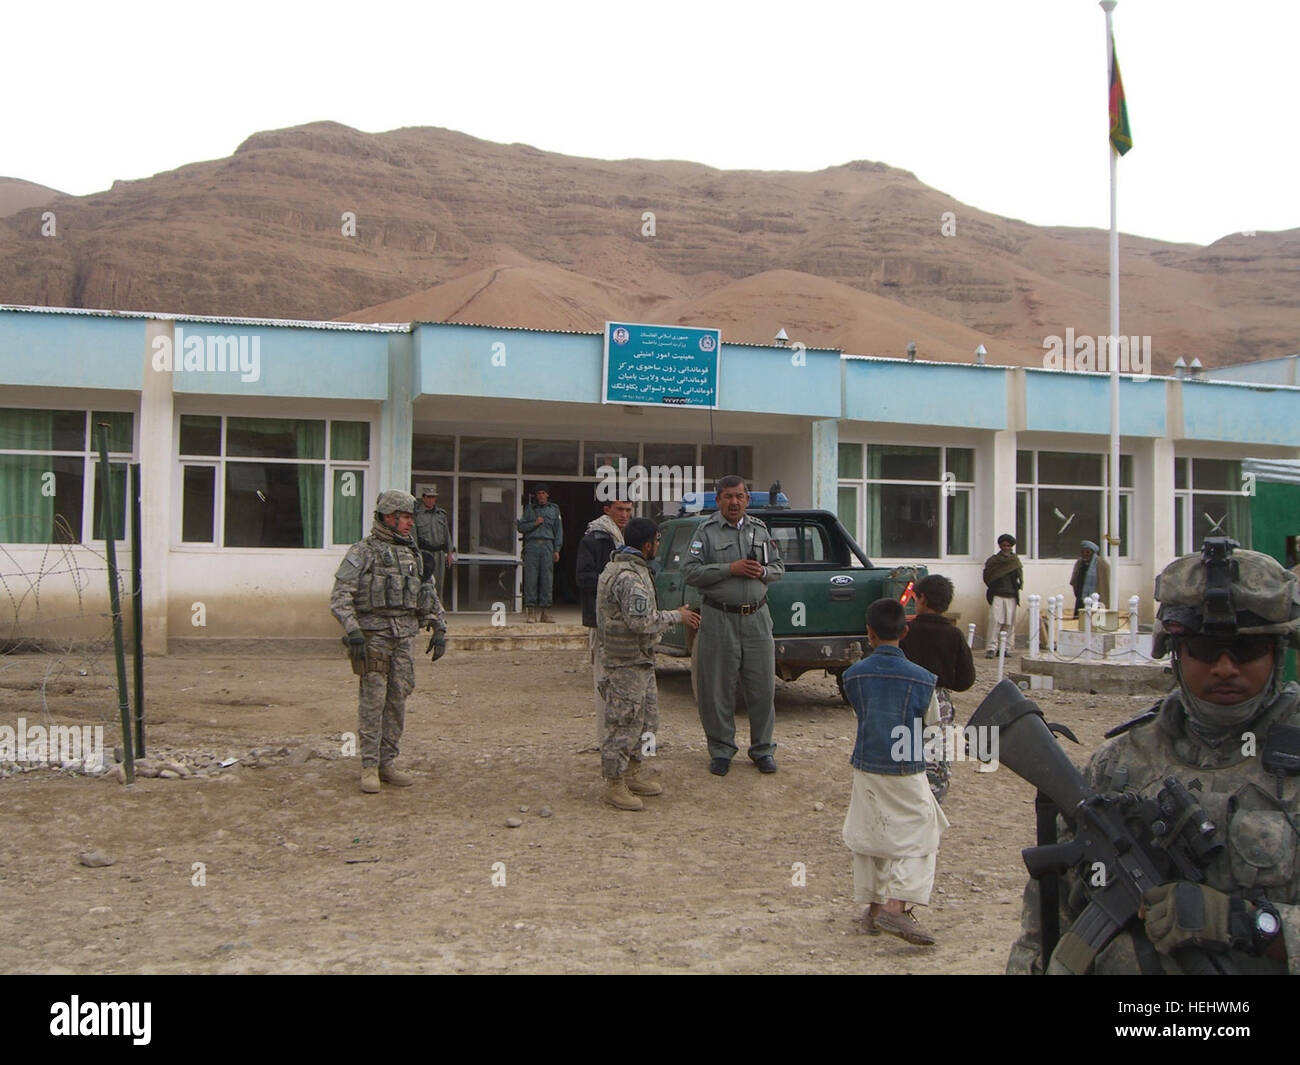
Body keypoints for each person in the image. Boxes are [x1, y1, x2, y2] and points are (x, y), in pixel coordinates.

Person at [1007, 539, 1300, 974]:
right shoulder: (1119, 762)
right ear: (1175, 653)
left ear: (1276, 653)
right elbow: (1046, 924)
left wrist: (1246, 923)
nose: (1224, 668)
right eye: (1202, 649)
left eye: (1244, 650)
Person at [841, 597, 950, 946]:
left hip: (866, 763)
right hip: (906, 766)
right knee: (923, 831)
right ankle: (895, 905)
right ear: (905, 631)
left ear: (869, 633)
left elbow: (858, 706)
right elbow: (932, 726)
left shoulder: (853, 675)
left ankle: (873, 910)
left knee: (871, 832)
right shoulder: (923, 680)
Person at [330, 490, 447, 794]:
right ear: (388, 517)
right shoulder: (363, 552)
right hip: (375, 637)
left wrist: (439, 627)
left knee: (397, 699)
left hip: (404, 637)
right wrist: (353, 630)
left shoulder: (413, 554)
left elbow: (427, 594)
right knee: (374, 700)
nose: (410, 523)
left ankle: (388, 763)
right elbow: (341, 596)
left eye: (411, 517)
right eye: (406, 517)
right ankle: (369, 765)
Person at [682, 475, 785, 776]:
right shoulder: (707, 531)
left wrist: (763, 571)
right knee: (716, 690)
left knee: (763, 688)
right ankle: (721, 750)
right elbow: (690, 572)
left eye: (739, 496)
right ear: (718, 500)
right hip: (718, 619)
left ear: (747, 500)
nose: (734, 502)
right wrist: (731, 568)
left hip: (757, 619)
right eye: (727, 496)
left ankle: (763, 750)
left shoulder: (760, 530)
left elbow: (778, 568)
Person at [596, 517, 700, 810]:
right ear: (646, 544)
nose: (659, 546)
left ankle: (632, 772)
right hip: (625, 663)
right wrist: (676, 616)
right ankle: (614, 784)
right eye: (656, 541)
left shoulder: (632, 569)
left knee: (646, 720)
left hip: (639, 661)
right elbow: (641, 621)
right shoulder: (629, 576)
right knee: (622, 722)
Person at [899, 574, 975, 802]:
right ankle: (934, 795)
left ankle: (907, 794)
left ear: (921, 598)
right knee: (936, 750)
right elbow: (966, 679)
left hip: (907, 697)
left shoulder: (905, 632)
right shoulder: (954, 635)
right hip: (939, 699)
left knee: (905, 748)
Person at [577, 496, 634, 737]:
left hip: (628, 623)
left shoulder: (629, 539)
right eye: (619, 509)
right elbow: (583, 578)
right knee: (603, 682)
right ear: (607, 509)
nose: (624, 515)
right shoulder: (594, 539)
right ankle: (605, 740)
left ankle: (626, 738)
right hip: (602, 622)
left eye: (629, 510)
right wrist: (615, 585)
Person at [517, 483, 562, 623]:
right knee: (531, 577)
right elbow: (521, 527)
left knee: (547, 578)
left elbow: (559, 530)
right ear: (536, 496)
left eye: (543, 493)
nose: (541, 495)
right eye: (538, 493)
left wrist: (557, 549)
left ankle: (546, 612)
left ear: (547, 495)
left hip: (548, 545)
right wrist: (534, 524)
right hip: (532, 545)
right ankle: (531, 612)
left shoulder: (554, 510)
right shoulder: (529, 509)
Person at [982, 533, 1023, 659]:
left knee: (1009, 624)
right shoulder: (993, 561)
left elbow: (1019, 577)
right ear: (1000, 546)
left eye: (1009, 546)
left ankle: (1004, 648)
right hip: (997, 594)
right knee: (995, 622)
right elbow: (987, 576)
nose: (1006, 548)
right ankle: (991, 648)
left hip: (1011, 595)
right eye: (1004, 545)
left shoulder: (1015, 561)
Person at [414, 484, 453, 600]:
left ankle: (437, 608)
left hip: (439, 553)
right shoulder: (417, 515)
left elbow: (446, 534)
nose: (431, 500)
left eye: (433, 497)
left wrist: (449, 553)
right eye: (429, 497)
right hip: (425, 553)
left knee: (439, 583)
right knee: (425, 582)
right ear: (423, 498)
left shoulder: (441, 514)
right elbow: (414, 536)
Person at [1069, 539, 1110, 614]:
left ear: (1093, 552)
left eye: (1087, 552)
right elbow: (1074, 579)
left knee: (1096, 620)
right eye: (1083, 552)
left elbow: (1105, 583)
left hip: (1097, 595)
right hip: (1081, 596)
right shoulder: (1079, 563)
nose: (1085, 554)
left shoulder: (1101, 563)